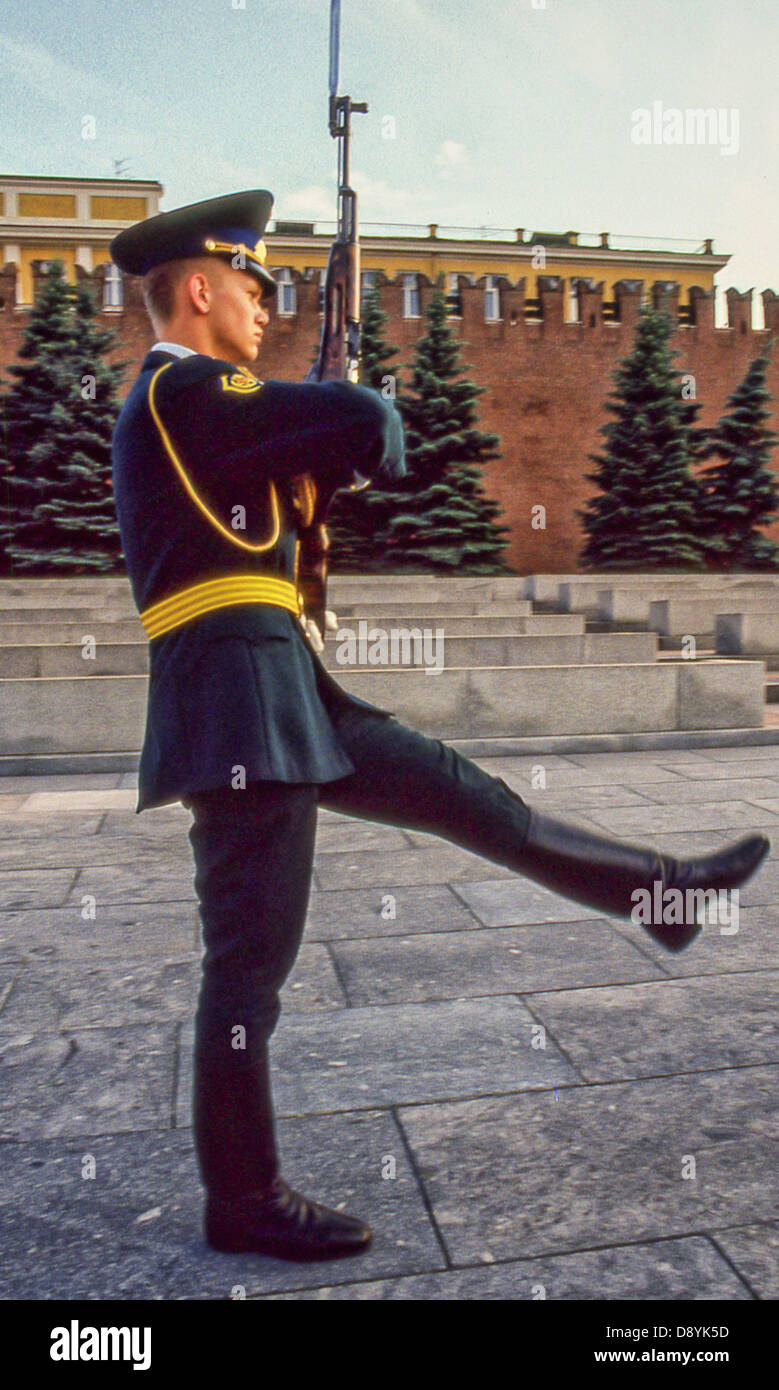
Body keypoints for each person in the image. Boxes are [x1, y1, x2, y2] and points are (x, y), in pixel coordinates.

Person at [110, 190, 770, 1265]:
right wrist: (342, 387)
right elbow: (371, 425)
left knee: (470, 798)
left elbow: (311, 486)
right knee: (246, 971)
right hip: (235, 704)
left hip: (285, 689)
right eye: (250, 284)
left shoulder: (200, 410)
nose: (259, 304)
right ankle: (244, 1197)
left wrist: (318, 456)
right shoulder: (185, 388)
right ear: (197, 288)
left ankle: (659, 894)